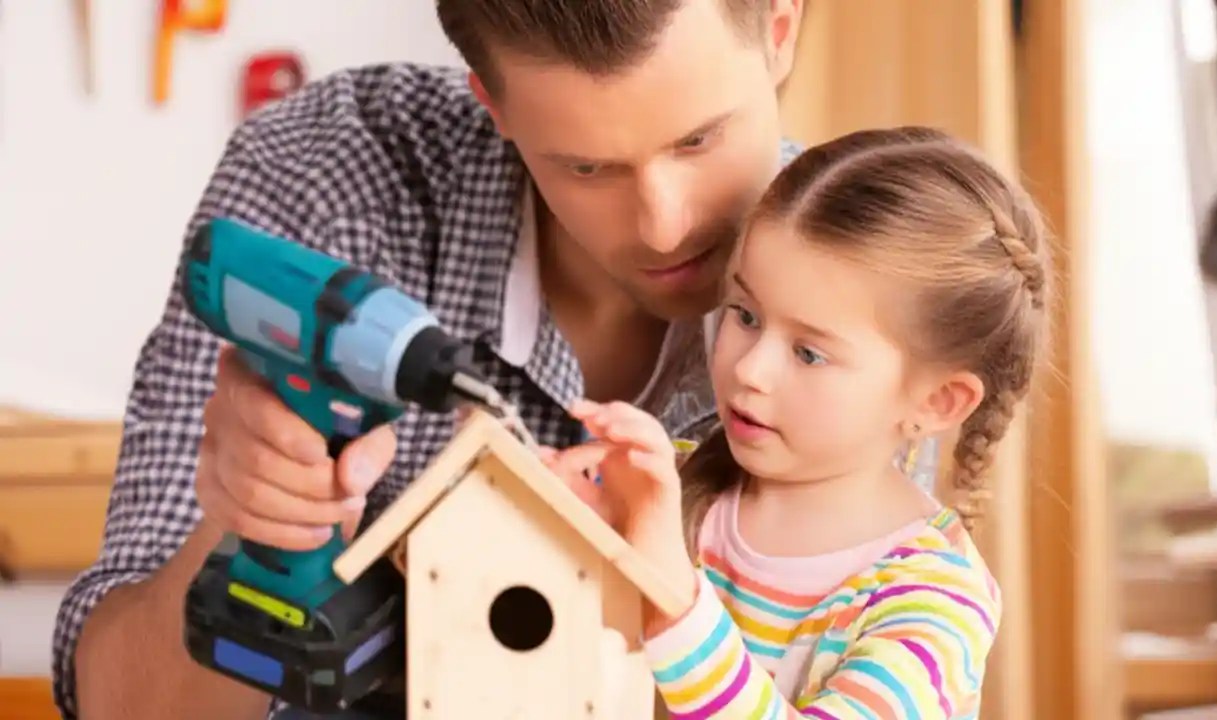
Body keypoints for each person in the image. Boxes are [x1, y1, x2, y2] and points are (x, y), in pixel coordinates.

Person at [51, 1, 836, 718]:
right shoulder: (324, 184)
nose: (664, 225)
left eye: (699, 139)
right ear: (491, 103)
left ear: (778, 28)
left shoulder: (875, 292)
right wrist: (248, 522)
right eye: (587, 167)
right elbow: (116, 705)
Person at [542, 126, 1052, 718]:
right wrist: (559, 521)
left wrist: (672, 593)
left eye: (809, 353)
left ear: (936, 403)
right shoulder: (674, 489)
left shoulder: (932, 604)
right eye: (745, 314)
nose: (751, 369)